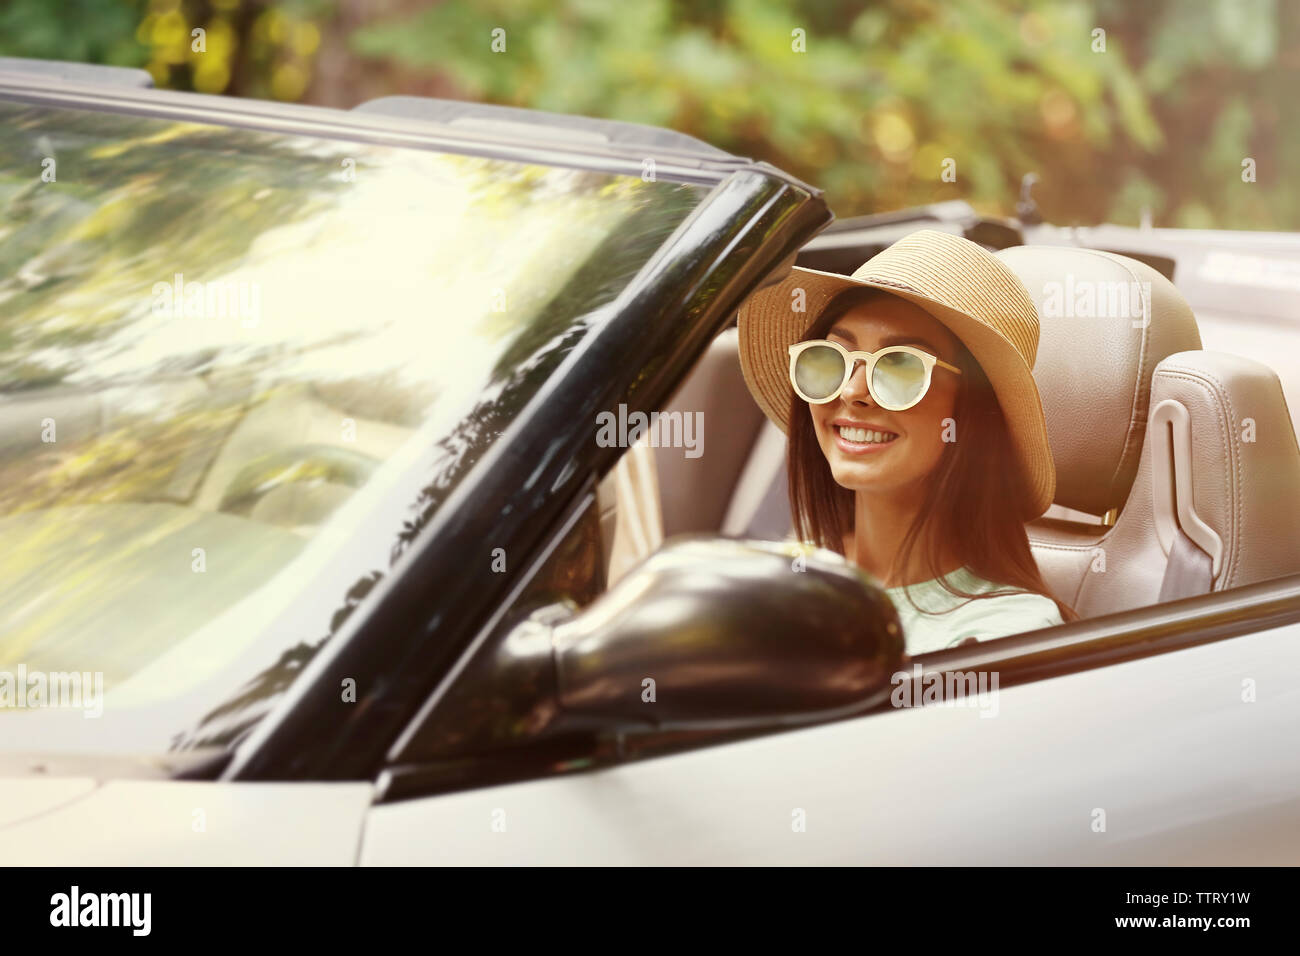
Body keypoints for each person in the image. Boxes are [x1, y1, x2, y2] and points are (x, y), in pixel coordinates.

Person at [736, 229, 1076, 654]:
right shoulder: (785, 571)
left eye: (900, 367)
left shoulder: (1006, 633)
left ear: (972, 413)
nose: (851, 392)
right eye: (830, 358)